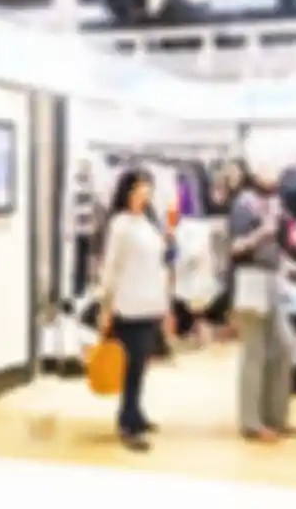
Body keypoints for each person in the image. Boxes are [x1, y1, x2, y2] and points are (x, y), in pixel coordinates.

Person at [98, 168, 174, 453]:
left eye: (148, 189)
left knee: (141, 364)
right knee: (130, 365)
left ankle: (136, 413)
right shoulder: (120, 225)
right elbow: (111, 267)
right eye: (140, 189)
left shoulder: (148, 222)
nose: (145, 194)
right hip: (128, 304)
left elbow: (158, 264)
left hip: (150, 302)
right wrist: (105, 305)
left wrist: (165, 304)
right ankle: (127, 420)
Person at [229, 157, 296, 444]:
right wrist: (262, 233)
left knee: (283, 346)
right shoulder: (244, 204)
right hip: (251, 279)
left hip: (272, 279)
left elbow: (280, 242)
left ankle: (276, 416)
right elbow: (235, 248)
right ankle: (252, 422)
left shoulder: (275, 203)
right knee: (254, 352)